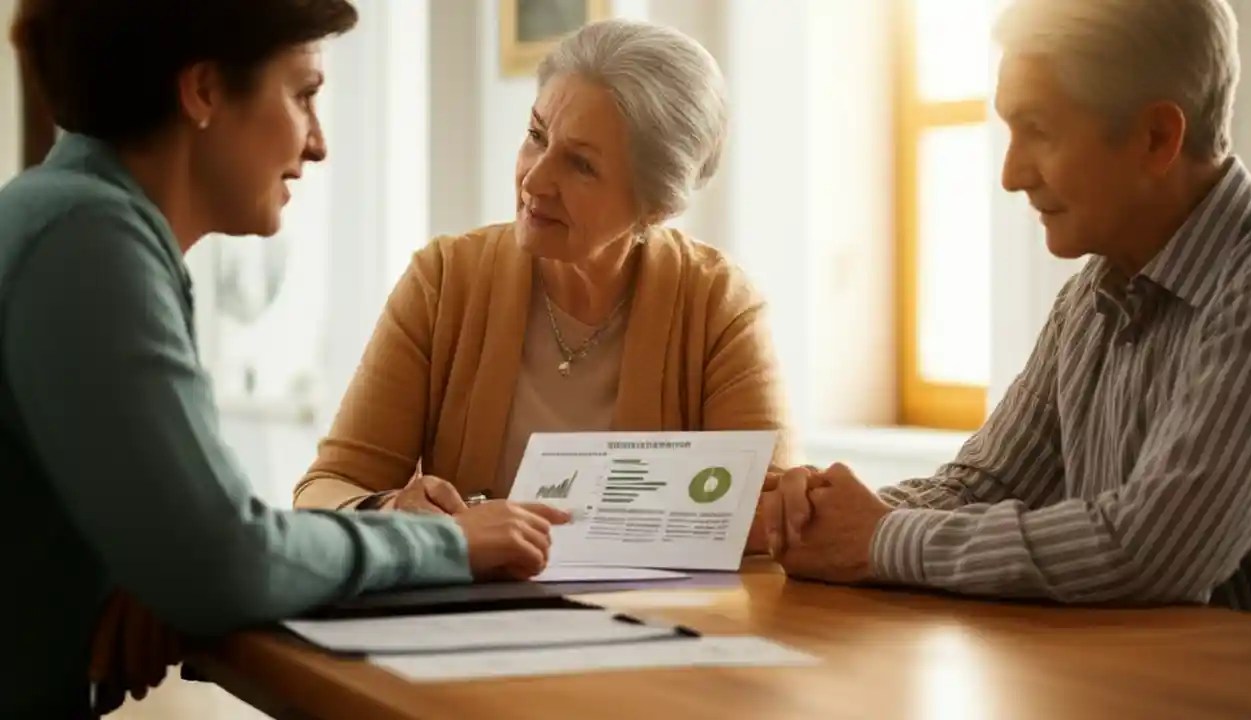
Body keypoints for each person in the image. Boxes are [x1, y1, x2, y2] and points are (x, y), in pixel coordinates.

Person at [1, 1, 567, 716]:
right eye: (303, 94)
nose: (320, 143)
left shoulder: (68, 218)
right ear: (204, 91)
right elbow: (225, 560)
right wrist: (447, 541)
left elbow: (200, 549)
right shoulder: (88, 240)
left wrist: (151, 567)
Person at [765, 0, 1251, 615]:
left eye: (1038, 130)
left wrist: (876, 538)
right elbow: (986, 484)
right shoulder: (1092, 294)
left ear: (1156, 137)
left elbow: (1151, 550)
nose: (1010, 175)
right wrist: (817, 513)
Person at [293, 19, 796, 536]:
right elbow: (326, 489)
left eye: (580, 164)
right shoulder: (444, 282)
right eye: (536, 136)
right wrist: (389, 511)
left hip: (650, 614)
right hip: (470, 612)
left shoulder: (718, 303)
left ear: (657, 204)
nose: (534, 179)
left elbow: (774, 513)